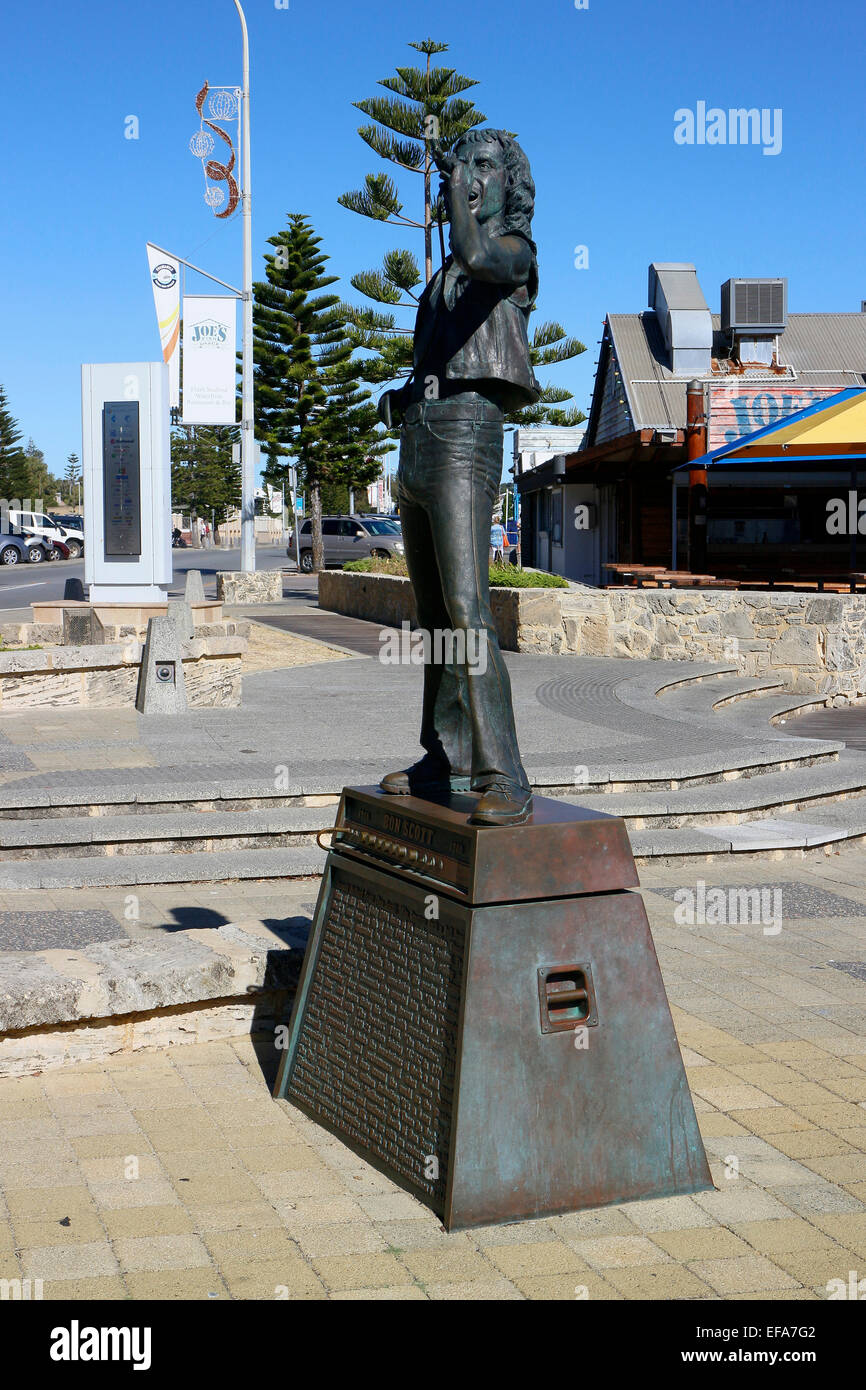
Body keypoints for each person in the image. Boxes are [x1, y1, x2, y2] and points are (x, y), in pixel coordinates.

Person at [376, 128, 541, 826]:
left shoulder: (512, 255)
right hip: (421, 444)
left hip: (468, 439)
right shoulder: (442, 279)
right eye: (462, 164)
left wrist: (451, 189)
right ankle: (445, 756)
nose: (469, 177)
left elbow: (476, 250)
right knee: (437, 616)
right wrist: (405, 398)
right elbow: (435, 364)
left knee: (469, 609)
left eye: (483, 168)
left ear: (509, 188)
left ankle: (506, 771)